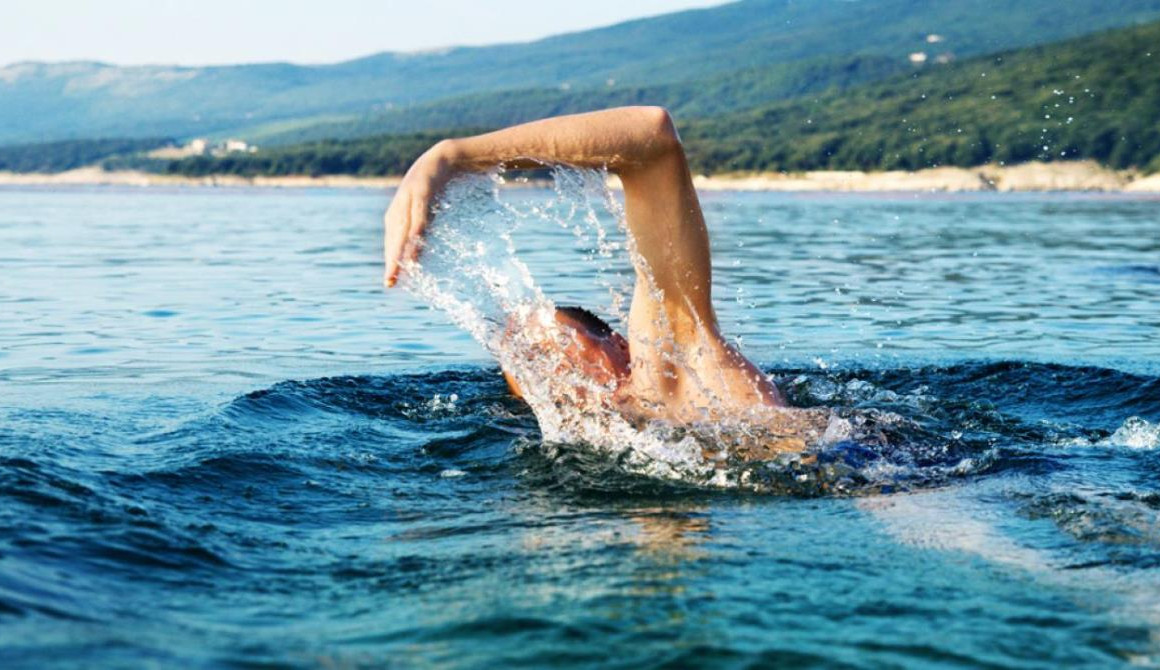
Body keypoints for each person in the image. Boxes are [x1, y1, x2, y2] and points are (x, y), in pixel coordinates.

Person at [384, 107, 828, 455]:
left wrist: (451, 157)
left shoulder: (675, 369)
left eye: (549, 349)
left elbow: (652, 138)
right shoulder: (617, 441)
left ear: (619, 345)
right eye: (529, 370)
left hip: (866, 469)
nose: (549, 372)